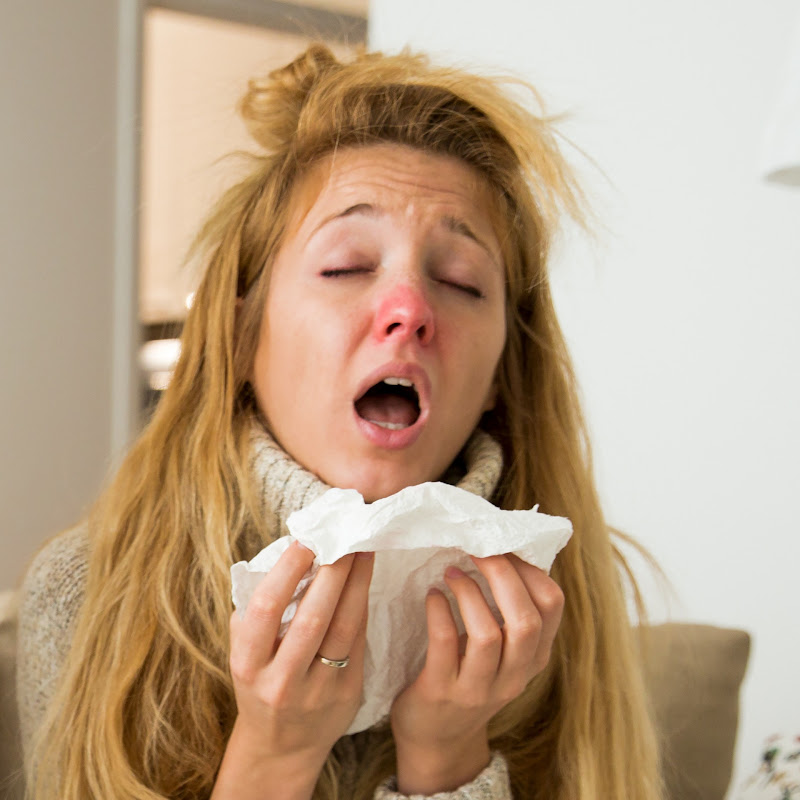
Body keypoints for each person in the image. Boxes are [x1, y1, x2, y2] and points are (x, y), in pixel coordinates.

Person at [17, 44, 664, 799]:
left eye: (460, 281)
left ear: (500, 376)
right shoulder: (90, 592)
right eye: (347, 267)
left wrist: (449, 761)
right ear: (241, 334)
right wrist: (274, 756)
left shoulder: (562, 601)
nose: (409, 310)